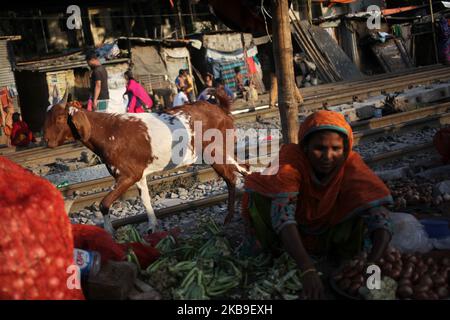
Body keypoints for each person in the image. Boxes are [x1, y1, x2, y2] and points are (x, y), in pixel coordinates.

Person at [241, 110, 393, 300]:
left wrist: (374, 262)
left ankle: (338, 253)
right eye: (319, 148)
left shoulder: (350, 163)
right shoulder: (291, 159)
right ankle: (278, 249)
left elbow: (380, 215)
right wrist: (306, 268)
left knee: (362, 205)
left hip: (323, 223)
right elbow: (282, 214)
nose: (327, 156)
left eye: (336, 149)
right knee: (260, 198)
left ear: (345, 149)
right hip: (292, 223)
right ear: (305, 148)